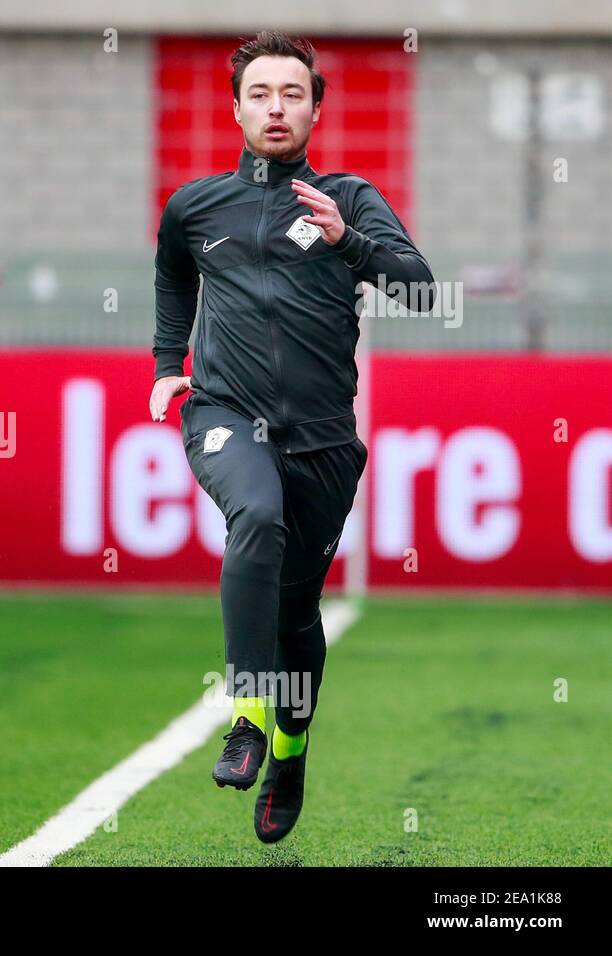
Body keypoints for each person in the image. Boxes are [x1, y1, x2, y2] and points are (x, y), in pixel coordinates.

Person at [147, 30, 436, 843]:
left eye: (293, 94)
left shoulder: (349, 197)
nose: (277, 108)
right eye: (261, 95)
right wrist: (172, 361)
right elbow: (172, 269)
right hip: (225, 415)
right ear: (236, 109)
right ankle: (245, 714)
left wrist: (351, 243)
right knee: (257, 516)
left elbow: (418, 291)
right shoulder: (196, 207)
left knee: (297, 612)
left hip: (323, 443)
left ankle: (291, 748)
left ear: (314, 108)